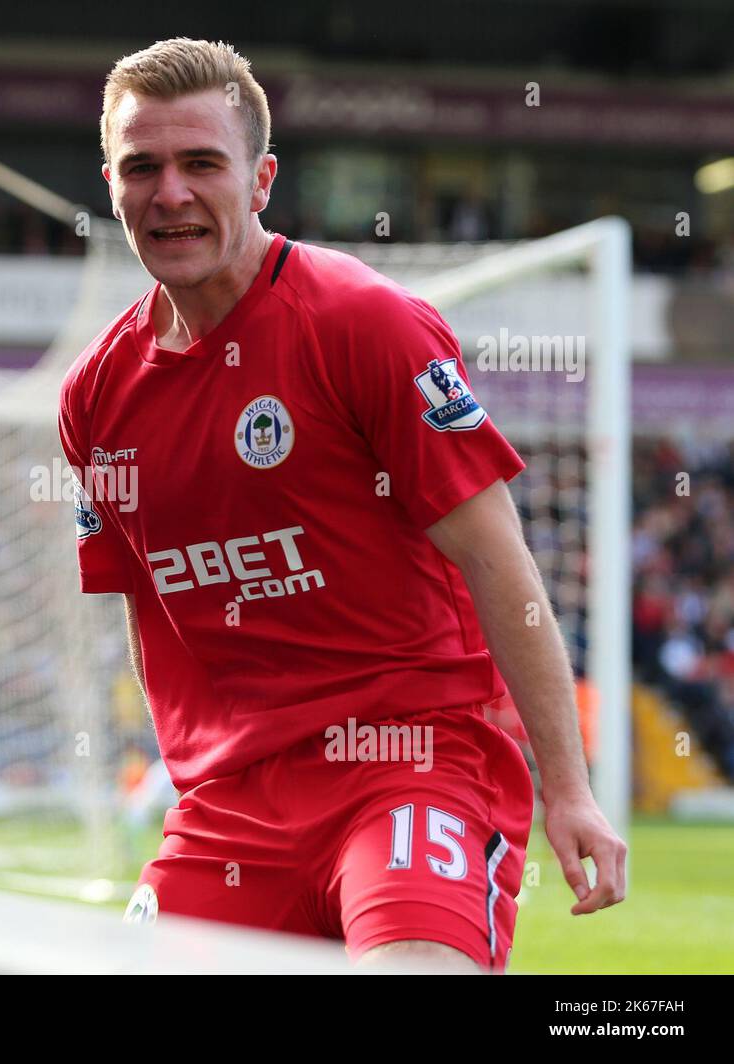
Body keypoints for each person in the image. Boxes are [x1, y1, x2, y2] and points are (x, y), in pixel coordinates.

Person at [59, 38, 626, 972]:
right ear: (112, 185)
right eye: (142, 167)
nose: (171, 193)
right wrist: (194, 769)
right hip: (231, 805)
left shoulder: (362, 323)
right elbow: (144, 602)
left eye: (202, 163)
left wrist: (569, 788)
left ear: (261, 180)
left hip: (413, 765)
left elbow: (499, 560)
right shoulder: (94, 397)